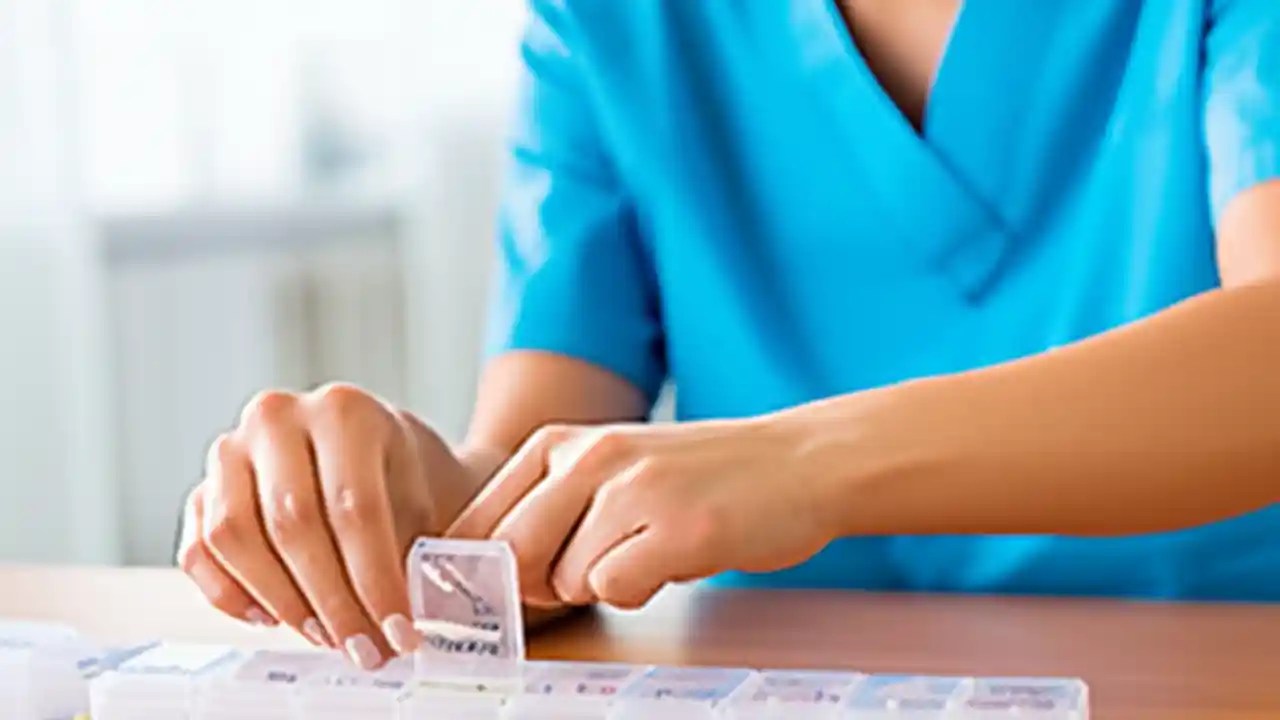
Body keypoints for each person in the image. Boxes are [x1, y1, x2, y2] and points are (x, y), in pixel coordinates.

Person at [175, 0, 1280, 670]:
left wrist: (802, 464)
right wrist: (408, 510)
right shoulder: (611, 25)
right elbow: (532, 485)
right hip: (785, 689)